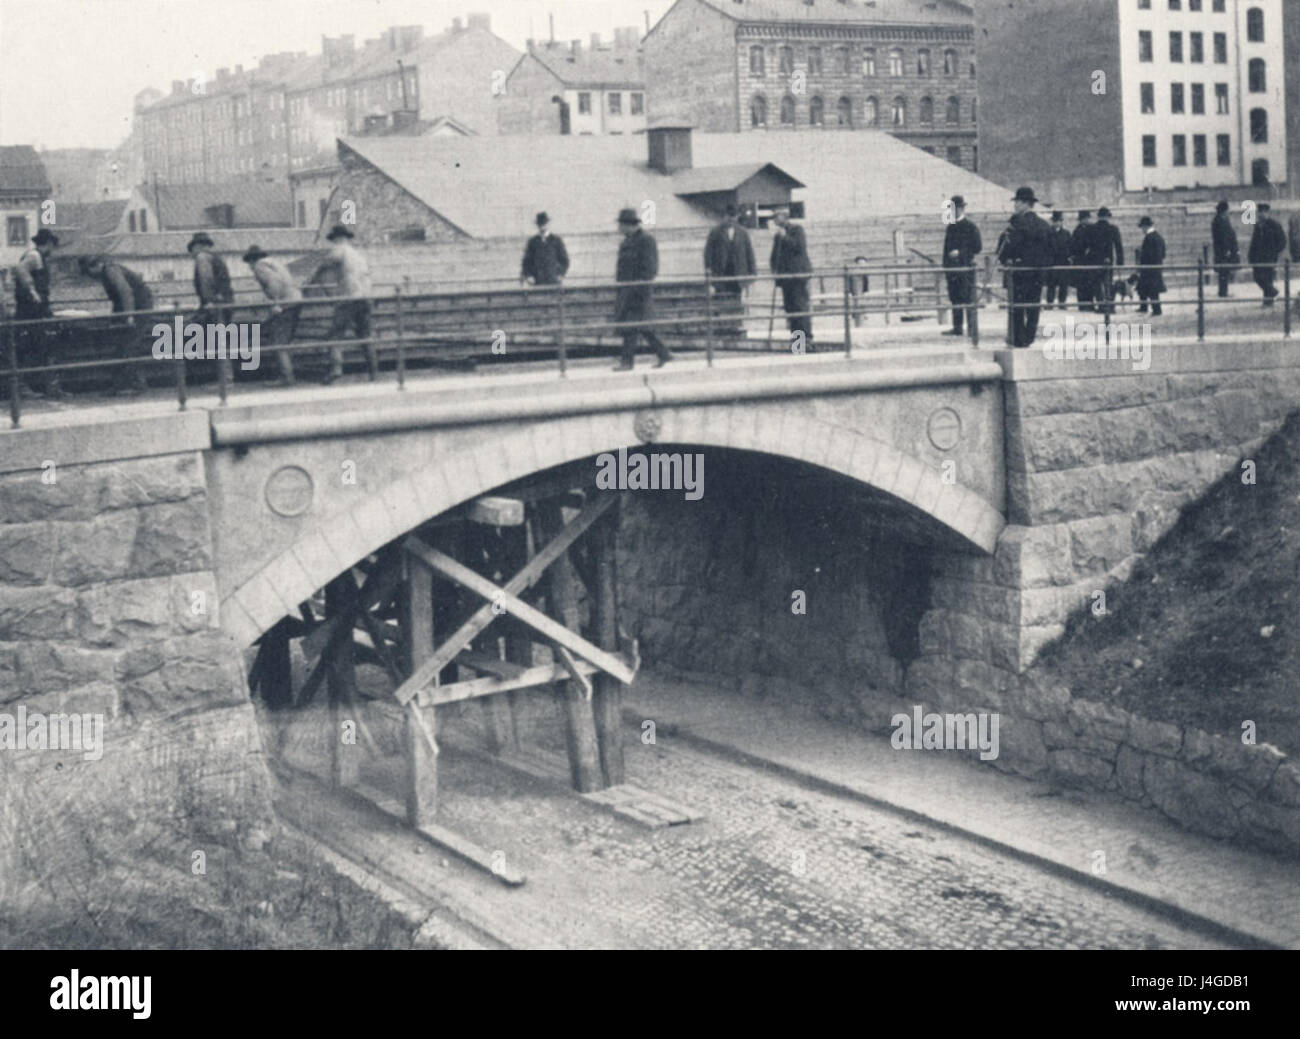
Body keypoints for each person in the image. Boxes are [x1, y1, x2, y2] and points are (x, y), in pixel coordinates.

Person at [310, 223, 374, 383]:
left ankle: (336, 369)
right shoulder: (358, 255)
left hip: (349, 298)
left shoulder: (340, 250)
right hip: (365, 297)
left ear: (338, 238)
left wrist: (311, 280)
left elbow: (323, 265)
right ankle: (373, 369)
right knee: (365, 334)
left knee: (335, 335)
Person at [79, 255, 152, 394]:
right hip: (135, 308)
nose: (90, 277)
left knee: (130, 345)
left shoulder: (111, 270)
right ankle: (125, 384)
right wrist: (115, 318)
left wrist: (129, 316)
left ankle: (136, 385)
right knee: (124, 345)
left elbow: (125, 292)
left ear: (95, 266)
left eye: (89, 272)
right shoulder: (107, 272)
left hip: (139, 308)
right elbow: (118, 300)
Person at [613, 207, 672, 370]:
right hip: (626, 291)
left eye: (620, 224)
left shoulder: (646, 240)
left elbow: (651, 268)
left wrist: (639, 288)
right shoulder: (626, 241)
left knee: (631, 327)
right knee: (643, 327)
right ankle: (664, 354)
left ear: (628, 225)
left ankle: (627, 362)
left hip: (638, 292)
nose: (618, 228)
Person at [998, 187, 1053, 348]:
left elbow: (1008, 248)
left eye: (1017, 202)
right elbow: (1051, 249)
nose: (1015, 205)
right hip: (1037, 273)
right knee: (1033, 306)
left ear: (1024, 203)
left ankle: (1019, 338)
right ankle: (1029, 337)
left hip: (1019, 272)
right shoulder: (1044, 225)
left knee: (1017, 307)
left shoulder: (1017, 224)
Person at [11, 228, 62, 398]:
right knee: (31, 346)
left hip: (35, 309)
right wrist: (32, 290)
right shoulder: (35, 256)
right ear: (48, 244)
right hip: (30, 310)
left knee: (39, 345)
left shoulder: (37, 257)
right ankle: (27, 386)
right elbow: (19, 269)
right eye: (52, 247)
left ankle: (48, 386)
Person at [243, 244, 301, 386]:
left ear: (251, 260)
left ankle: (287, 377)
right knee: (284, 341)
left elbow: (273, 283)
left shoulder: (259, 266)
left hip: (285, 304)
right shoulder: (274, 263)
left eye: (248, 263)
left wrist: (275, 304)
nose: (250, 268)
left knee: (278, 342)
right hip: (295, 300)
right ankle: (287, 374)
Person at [703, 203, 756, 339]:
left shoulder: (743, 233)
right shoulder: (715, 232)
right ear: (724, 217)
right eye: (729, 216)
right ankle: (722, 330)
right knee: (721, 301)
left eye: (734, 216)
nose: (731, 219)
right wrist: (709, 273)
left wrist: (752, 273)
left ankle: (736, 328)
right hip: (721, 274)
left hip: (737, 274)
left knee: (736, 301)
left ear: (737, 217)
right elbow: (708, 254)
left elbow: (749, 253)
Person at [188, 231, 235, 386]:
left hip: (215, 306)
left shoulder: (203, 258)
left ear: (198, 246)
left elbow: (206, 281)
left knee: (217, 341)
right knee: (219, 341)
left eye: (192, 249)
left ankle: (225, 380)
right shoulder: (216, 258)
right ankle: (226, 378)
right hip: (224, 303)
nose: (192, 253)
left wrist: (208, 302)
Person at [770, 205, 814, 351]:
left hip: (797, 276)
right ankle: (797, 343)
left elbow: (799, 247)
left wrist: (785, 237)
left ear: (784, 217)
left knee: (800, 308)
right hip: (786, 278)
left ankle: (806, 341)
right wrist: (775, 271)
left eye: (777, 216)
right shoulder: (778, 235)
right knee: (791, 310)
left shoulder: (797, 230)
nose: (774, 220)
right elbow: (775, 255)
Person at [941, 195, 981, 336]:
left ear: (962, 209)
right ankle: (957, 328)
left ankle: (972, 328)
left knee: (969, 298)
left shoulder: (970, 227)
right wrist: (945, 267)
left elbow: (977, 247)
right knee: (955, 298)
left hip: (965, 268)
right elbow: (945, 249)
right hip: (952, 270)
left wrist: (960, 253)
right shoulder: (950, 227)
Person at [1247, 203, 1287, 306]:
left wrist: (1274, 251)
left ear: (1268, 213)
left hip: (1269, 257)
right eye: (1259, 212)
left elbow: (1282, 241)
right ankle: (1273, 292)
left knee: (1267, 278)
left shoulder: (1274, 225)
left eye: (1263, 212)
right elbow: (1254, 242)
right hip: (1258, 257)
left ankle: (1268, 301)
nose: (1261, 214)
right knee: (1258, 277)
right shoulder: (1258, 226)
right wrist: (1250, 256)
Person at [520, 211, 569, 287]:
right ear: (537, 225)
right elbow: (526, 261)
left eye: (544, 224)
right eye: (540, 224)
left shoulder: (556, 240)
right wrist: (528, 275)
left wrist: (561, 274)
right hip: (537, 281)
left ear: (548, 224)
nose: (542, 227)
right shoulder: (533, 242)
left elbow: (565, 260)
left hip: (553, 281)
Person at [1094, 207, 1124, 315]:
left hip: (1095, 260)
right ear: (1107, 217)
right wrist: (1120, 261)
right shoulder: (1113, 228)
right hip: (1108, 260)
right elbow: (1118, 246)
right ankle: (1110, 306)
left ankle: (1101, 306)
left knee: (1097, 283)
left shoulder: (1093, 228)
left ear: (1098, 216)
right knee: (1108, 282)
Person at [1135, 216, 1167, 316]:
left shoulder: (1149, 238)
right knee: (1145, 288)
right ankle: (1145, 307)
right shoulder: (1158, 237)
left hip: (1149, 268)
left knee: (1151, 290)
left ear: (1145, 226)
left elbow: (1147, 255)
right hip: (1156, 267)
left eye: (1142, 228)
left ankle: (1156, 310)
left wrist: (1143, 265)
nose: (1142, 230)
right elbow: (1163, 254)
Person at [1070, 210, 1100, 312]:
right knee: (1081, 284)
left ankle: (1090, 304)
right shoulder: (1077, 231)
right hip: (1080, 261)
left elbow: (1096, 244)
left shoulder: (1093, 229)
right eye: (1084, 219)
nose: (1086, 220)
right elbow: (1074, 246)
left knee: (1090, 283)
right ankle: (1082, 305)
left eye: (1087, 218)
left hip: (1091, 260)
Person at [1211, 200, 1239, 299]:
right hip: (1223, 250)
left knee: (1225, 271)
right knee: (1223, 271)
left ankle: (1223, 291)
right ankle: (1223, 292)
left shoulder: (1221, 220)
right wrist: (1227, 249)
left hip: (1223, 250)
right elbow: (1223, 237)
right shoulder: (1219, 221)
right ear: (1224, 210)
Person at [1045, 211, 1073, 310]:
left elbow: (1070, 247)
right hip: (1052, 262)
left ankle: (1062, 302)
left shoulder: (1066, 233)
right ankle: (1050, 302)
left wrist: (1069, 257)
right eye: (1055, 221)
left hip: (1063, 261)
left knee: (1063, 284)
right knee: (1051, 284)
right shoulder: (1048, 233)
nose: (1057, 223)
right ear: (1052, 221)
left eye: (1059, 221)